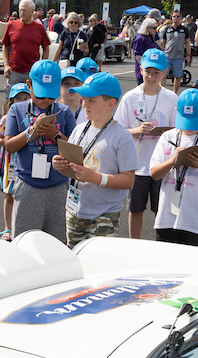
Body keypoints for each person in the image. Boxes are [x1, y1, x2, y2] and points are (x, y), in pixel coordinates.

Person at [52, 72, 137, 248]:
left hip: (105, 214)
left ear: (111, 104)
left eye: (92, 100)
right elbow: (71, 164)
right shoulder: (79, 129)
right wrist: (59, 164)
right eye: (84, 99)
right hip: (75, 210)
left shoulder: (122, 137)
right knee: (75, 258)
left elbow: (129, 179)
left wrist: (95, 177)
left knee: (98, 262)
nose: (84, 104)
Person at [3, 60, 78, 241]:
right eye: (40, 95)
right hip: (27, 185)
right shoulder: (17, 109)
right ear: (29, 85)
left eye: (50, 96)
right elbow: (9, 145)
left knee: (57, 242)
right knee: (25, 242)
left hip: (59, 186)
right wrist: (30, 132)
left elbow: (75, 150)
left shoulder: (65, 111)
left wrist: (55, 134)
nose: (45, 101)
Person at [115, 49, 178, 239]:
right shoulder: (130, 97)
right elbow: (117, 131)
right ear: (140, 69)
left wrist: (164, 133)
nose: (151, 76)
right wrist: (137, 131)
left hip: (163, 165)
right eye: (148, 71)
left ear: (164, 72)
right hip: (137, 165)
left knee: (164, 209)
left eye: (156, 72)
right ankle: (135, 244)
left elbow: (178, 131)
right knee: (136, 209)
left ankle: (163, 244)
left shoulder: (171, 98)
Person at [148, 89, 198, 246]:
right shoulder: (167, 137)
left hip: (194, 221)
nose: (189, 127)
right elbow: (154, 174)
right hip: (166, 218)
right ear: (176, 111)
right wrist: (172, 161)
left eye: (194, 120)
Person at [0, 82, 31, 241]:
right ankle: (8, 228)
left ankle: (23, 227)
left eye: (25, 98)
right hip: (11, 162)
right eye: (18, 99)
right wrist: (14, 140)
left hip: (28, 161)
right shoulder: (6, 118)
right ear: (11, 101)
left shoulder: (33, 117)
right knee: (9, 195)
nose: (22, 101)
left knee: (26, 195)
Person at [2, 0, 51, 87]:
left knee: (32, 99)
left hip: (32, 72)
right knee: (11, 99)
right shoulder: (11, 25)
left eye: (24, 10)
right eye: (20, 10)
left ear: (32, 11)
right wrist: (6, 65)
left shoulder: (39, 28)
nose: (21, 12)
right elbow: (5, 46)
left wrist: (41, 66)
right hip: (14, 71)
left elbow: (46, 48)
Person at [159, 9, 192, 95]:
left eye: (178, 16)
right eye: (174, 16)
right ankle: (161, 93)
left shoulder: (184, 30)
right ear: (172, 18)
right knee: (163, 75)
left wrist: (188, 55)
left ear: (181, 18)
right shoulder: (167, 29)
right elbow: (163, 42)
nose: (176, 18)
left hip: (178, 57)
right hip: (167, 56)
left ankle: (175, 93)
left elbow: (187, 43)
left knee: (177, 76)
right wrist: (160, 53)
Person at [130, 18, 159, 85]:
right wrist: (146, 70)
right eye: (154, 28)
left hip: (154, 71)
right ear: (147, 28)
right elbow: (138, 58)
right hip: (144, 73)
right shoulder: (141, 39)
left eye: (156, 27)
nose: (156, 30)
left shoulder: (151, 38)